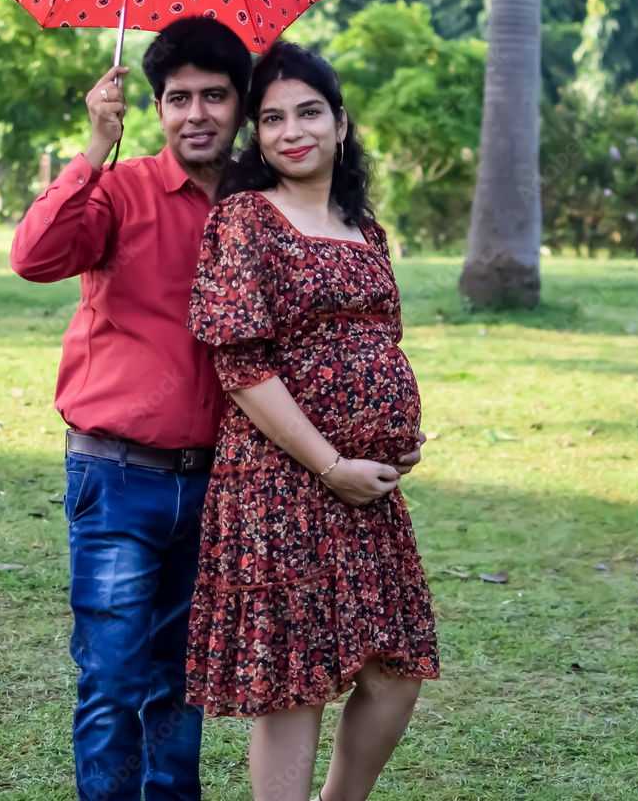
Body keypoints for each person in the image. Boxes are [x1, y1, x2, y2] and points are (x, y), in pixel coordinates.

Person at [10, 17, 423, 801]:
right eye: (176, 99)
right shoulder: (124, 189)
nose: (195, 114)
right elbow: (34, 256)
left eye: (214, 97)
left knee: (181, 682)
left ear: (239, 108)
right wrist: (96, 145)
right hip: (120, 474)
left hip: (225, 481)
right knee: (112, 677)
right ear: (157, 109)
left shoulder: (264, 200)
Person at [187, 42, 439, 801]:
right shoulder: (245, 220)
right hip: (280, 480)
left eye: (308, 112)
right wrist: (332, 463)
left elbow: (379, 341)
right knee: (293, 682)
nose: (291, 130)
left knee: (397, 672)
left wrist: (395, 432)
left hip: (368, 488)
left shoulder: (364, 227)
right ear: (256, 137)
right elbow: (243, 368)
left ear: (340, 122)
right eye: (271, 118)